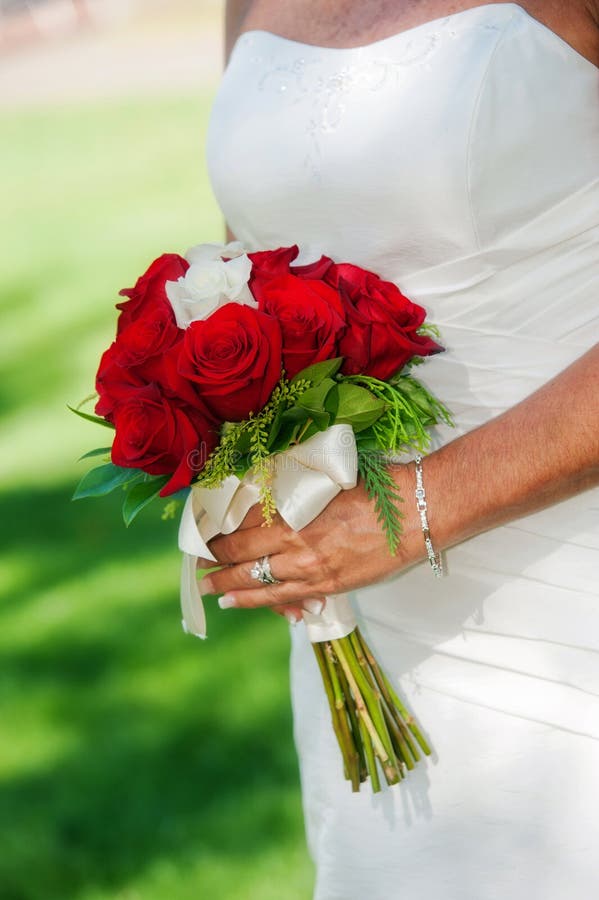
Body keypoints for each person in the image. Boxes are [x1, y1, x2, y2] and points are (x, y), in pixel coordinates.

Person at [197, 2, 599, 897]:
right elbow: (249, 257)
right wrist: (232, 444)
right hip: (362, 612)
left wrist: (426, 505)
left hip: (573, 580)